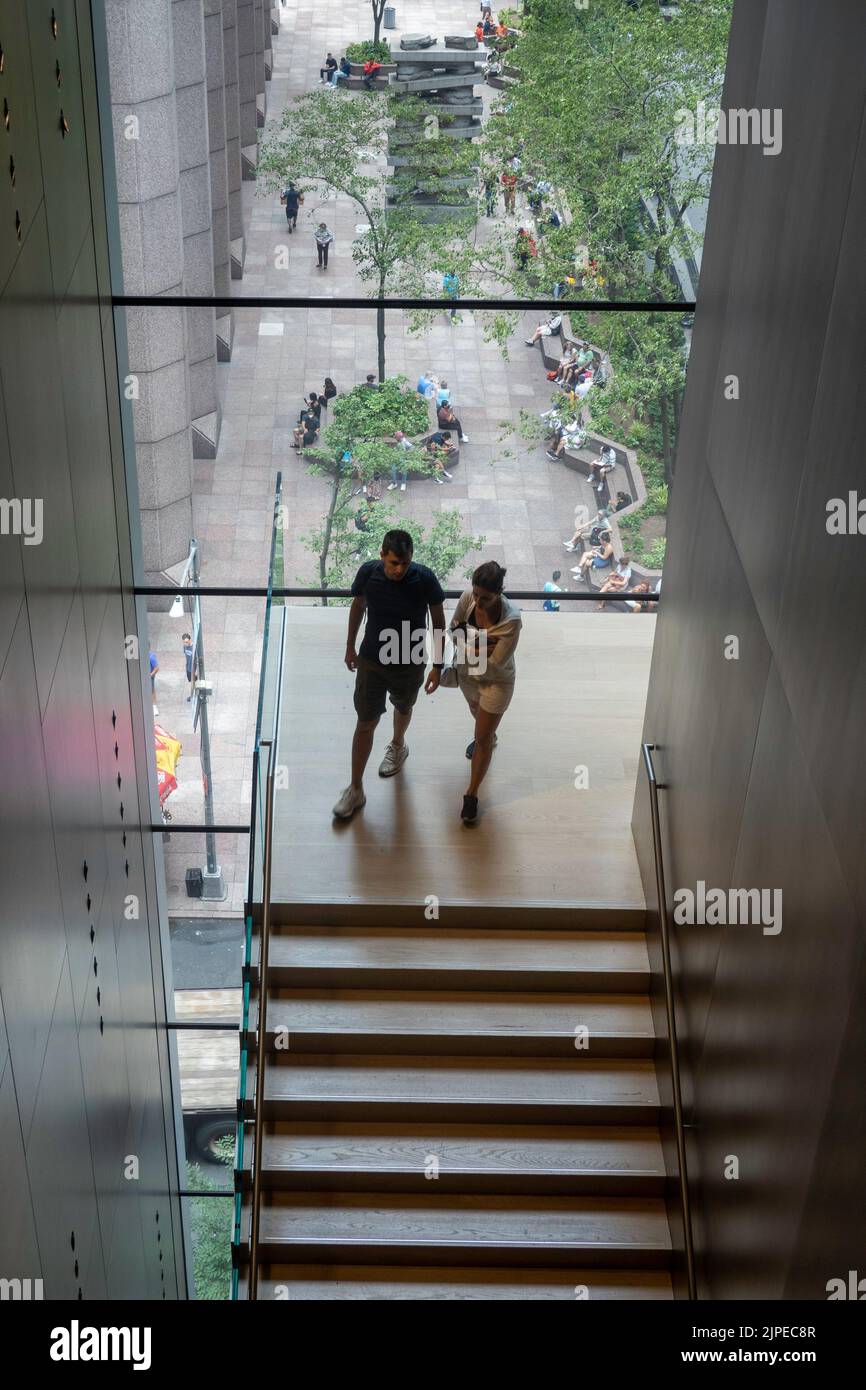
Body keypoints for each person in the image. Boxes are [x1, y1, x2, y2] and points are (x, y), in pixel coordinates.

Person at [332, 530, 446, 820]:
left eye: (405, 563)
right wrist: (349, 646)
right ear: (382, 554)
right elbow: (358, 606)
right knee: (365, 721)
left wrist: (438, 664)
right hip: (372, 659)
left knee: (404, 706)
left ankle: (398, 745)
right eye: (394, 562)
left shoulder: (425, 579)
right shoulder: (369, 573)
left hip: (410, 661)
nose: (399, 569)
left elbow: (438, 620)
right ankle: (355, 788)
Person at [450, 560, 522, 825]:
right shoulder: (468, 597)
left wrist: (470, 643)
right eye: (476, 594)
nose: (478, 603)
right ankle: (486, 736)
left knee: (482, 737)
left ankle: (472, 794)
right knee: (476, 715)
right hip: (468, 676)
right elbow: (451, 632)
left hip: (497, 683)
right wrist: (484, 645)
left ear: (500, 592)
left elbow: (494, 665)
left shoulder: (512, 620)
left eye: (486, 598)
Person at [182, 632, 197, 702]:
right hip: (188, 667)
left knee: (193, 682)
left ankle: (192, 695)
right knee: (192, 681)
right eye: (184, 642)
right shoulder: (185, 647)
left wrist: (196, 670)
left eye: (187, 642)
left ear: (190, 640)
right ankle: (195, 693)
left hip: (193, 669)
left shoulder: (194, 648)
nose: (186, 644)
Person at [149, 650, 159, 714]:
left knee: (152, 691)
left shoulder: (151, 657)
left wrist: (150, 675)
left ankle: (154, 707)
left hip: (150, 677)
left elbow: (157, 668)